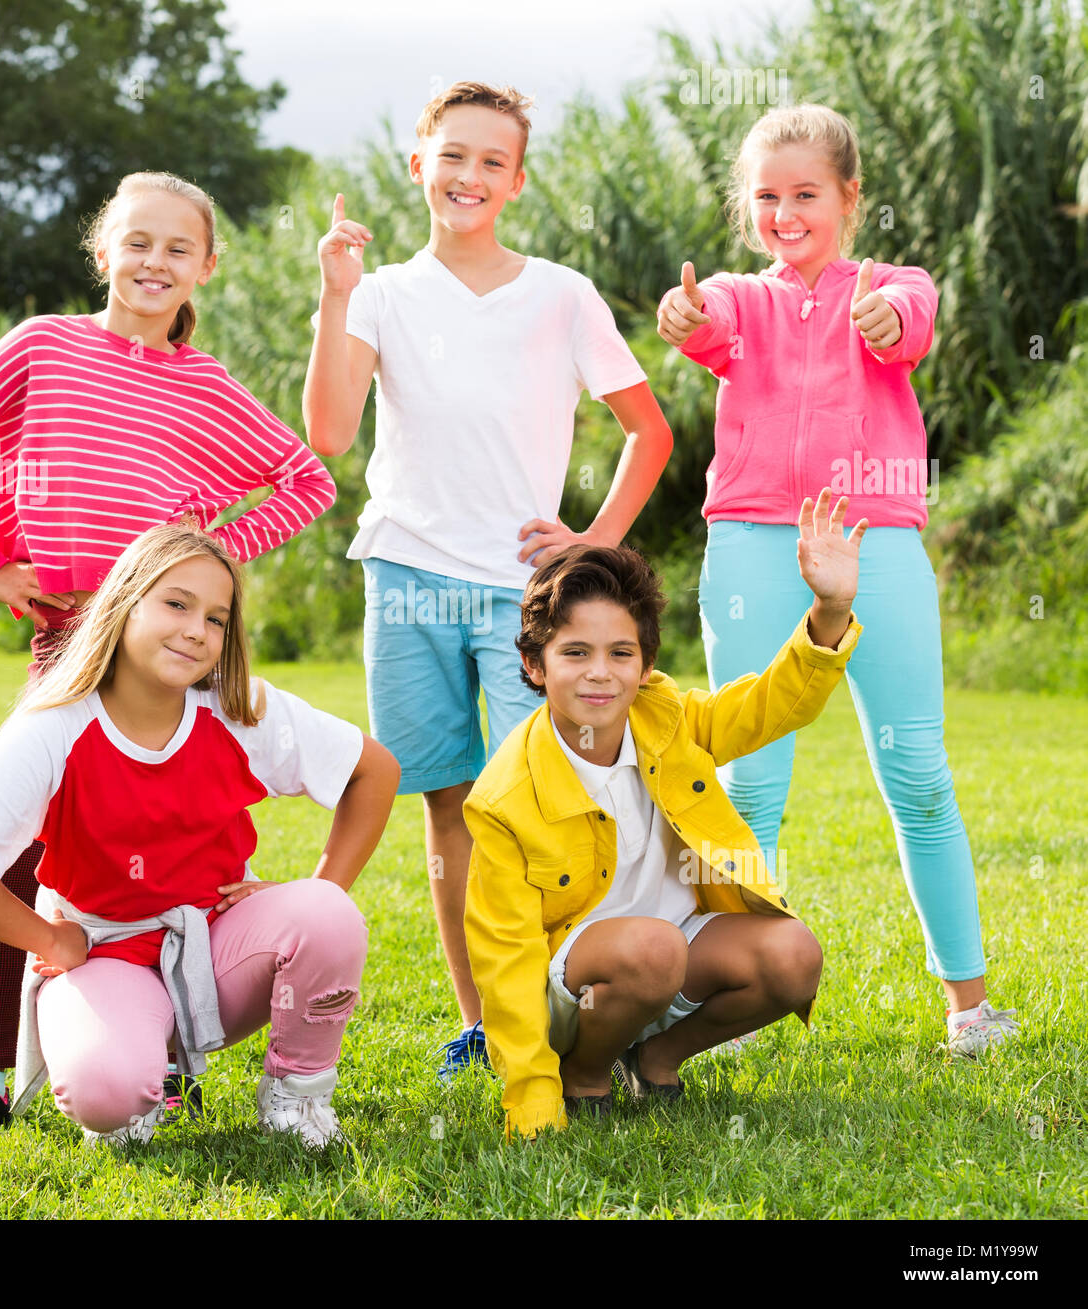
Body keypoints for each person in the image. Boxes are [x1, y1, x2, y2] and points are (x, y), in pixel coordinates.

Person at [0, 171, 338, 1135]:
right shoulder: (42, 345)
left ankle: (168, 1049)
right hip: (66, 649)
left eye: (179, 249)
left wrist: (203, 569)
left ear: (207, 269)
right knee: (15, 848)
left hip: (168, 663)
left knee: (174, 851)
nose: (155, 263)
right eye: (137, 242)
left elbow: (306, 483)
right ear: (103, 252)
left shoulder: (207, 387)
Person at [303, 81, 674, 1076]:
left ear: (517, 179)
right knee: (448, 806)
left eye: (490, 161)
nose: (468, 176)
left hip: (522, 592)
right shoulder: (378, 294)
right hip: (404, 577)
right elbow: (330, 435)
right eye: (451, 155)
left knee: (539, 805)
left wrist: (592, 543)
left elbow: (652, 431)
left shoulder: (560, 293)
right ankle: (485, 1021)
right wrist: (335, 294)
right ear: (416, 164)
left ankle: (567, 1006)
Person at [656, 103, 1016, 1056]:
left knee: (919, 778)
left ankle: (970, 1008)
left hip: (877, 541)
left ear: (849, 198)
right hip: (751, 543)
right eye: (767, 196)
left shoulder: (896, 283)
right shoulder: (741, 295)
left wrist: (885, 314)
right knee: (746, 786)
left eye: (806, 194)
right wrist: (683, 313)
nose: (786, 212)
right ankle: (728, 1006)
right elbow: (705, 329)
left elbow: (909, 330)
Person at [0, 520, 400, 1148]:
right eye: (177, 604)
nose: (198, 630)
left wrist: (323, 888)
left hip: (214, 941)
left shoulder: (236, 706)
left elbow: (373, 771)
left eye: (217, 619)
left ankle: (296, 1096)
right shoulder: (55, 726)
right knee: (108, 1097)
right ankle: (135, 1064)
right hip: (103, 951)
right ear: (124, 602)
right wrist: (48, 939)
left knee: (326, 913)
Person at [464, 491, 863, 1139]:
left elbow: (769, 706)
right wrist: (531, 1102)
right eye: (575, 653)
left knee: (793, 953)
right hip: (573, 989)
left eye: (621, 653)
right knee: (653, 945)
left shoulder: (665, 713)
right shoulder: (505, 795)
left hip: (673, 955)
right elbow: (504, 966)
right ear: (535, 665)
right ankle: (586, 1072)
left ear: (645, 664)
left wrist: (831, 608)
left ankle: (656, 1058)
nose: (600, 674)